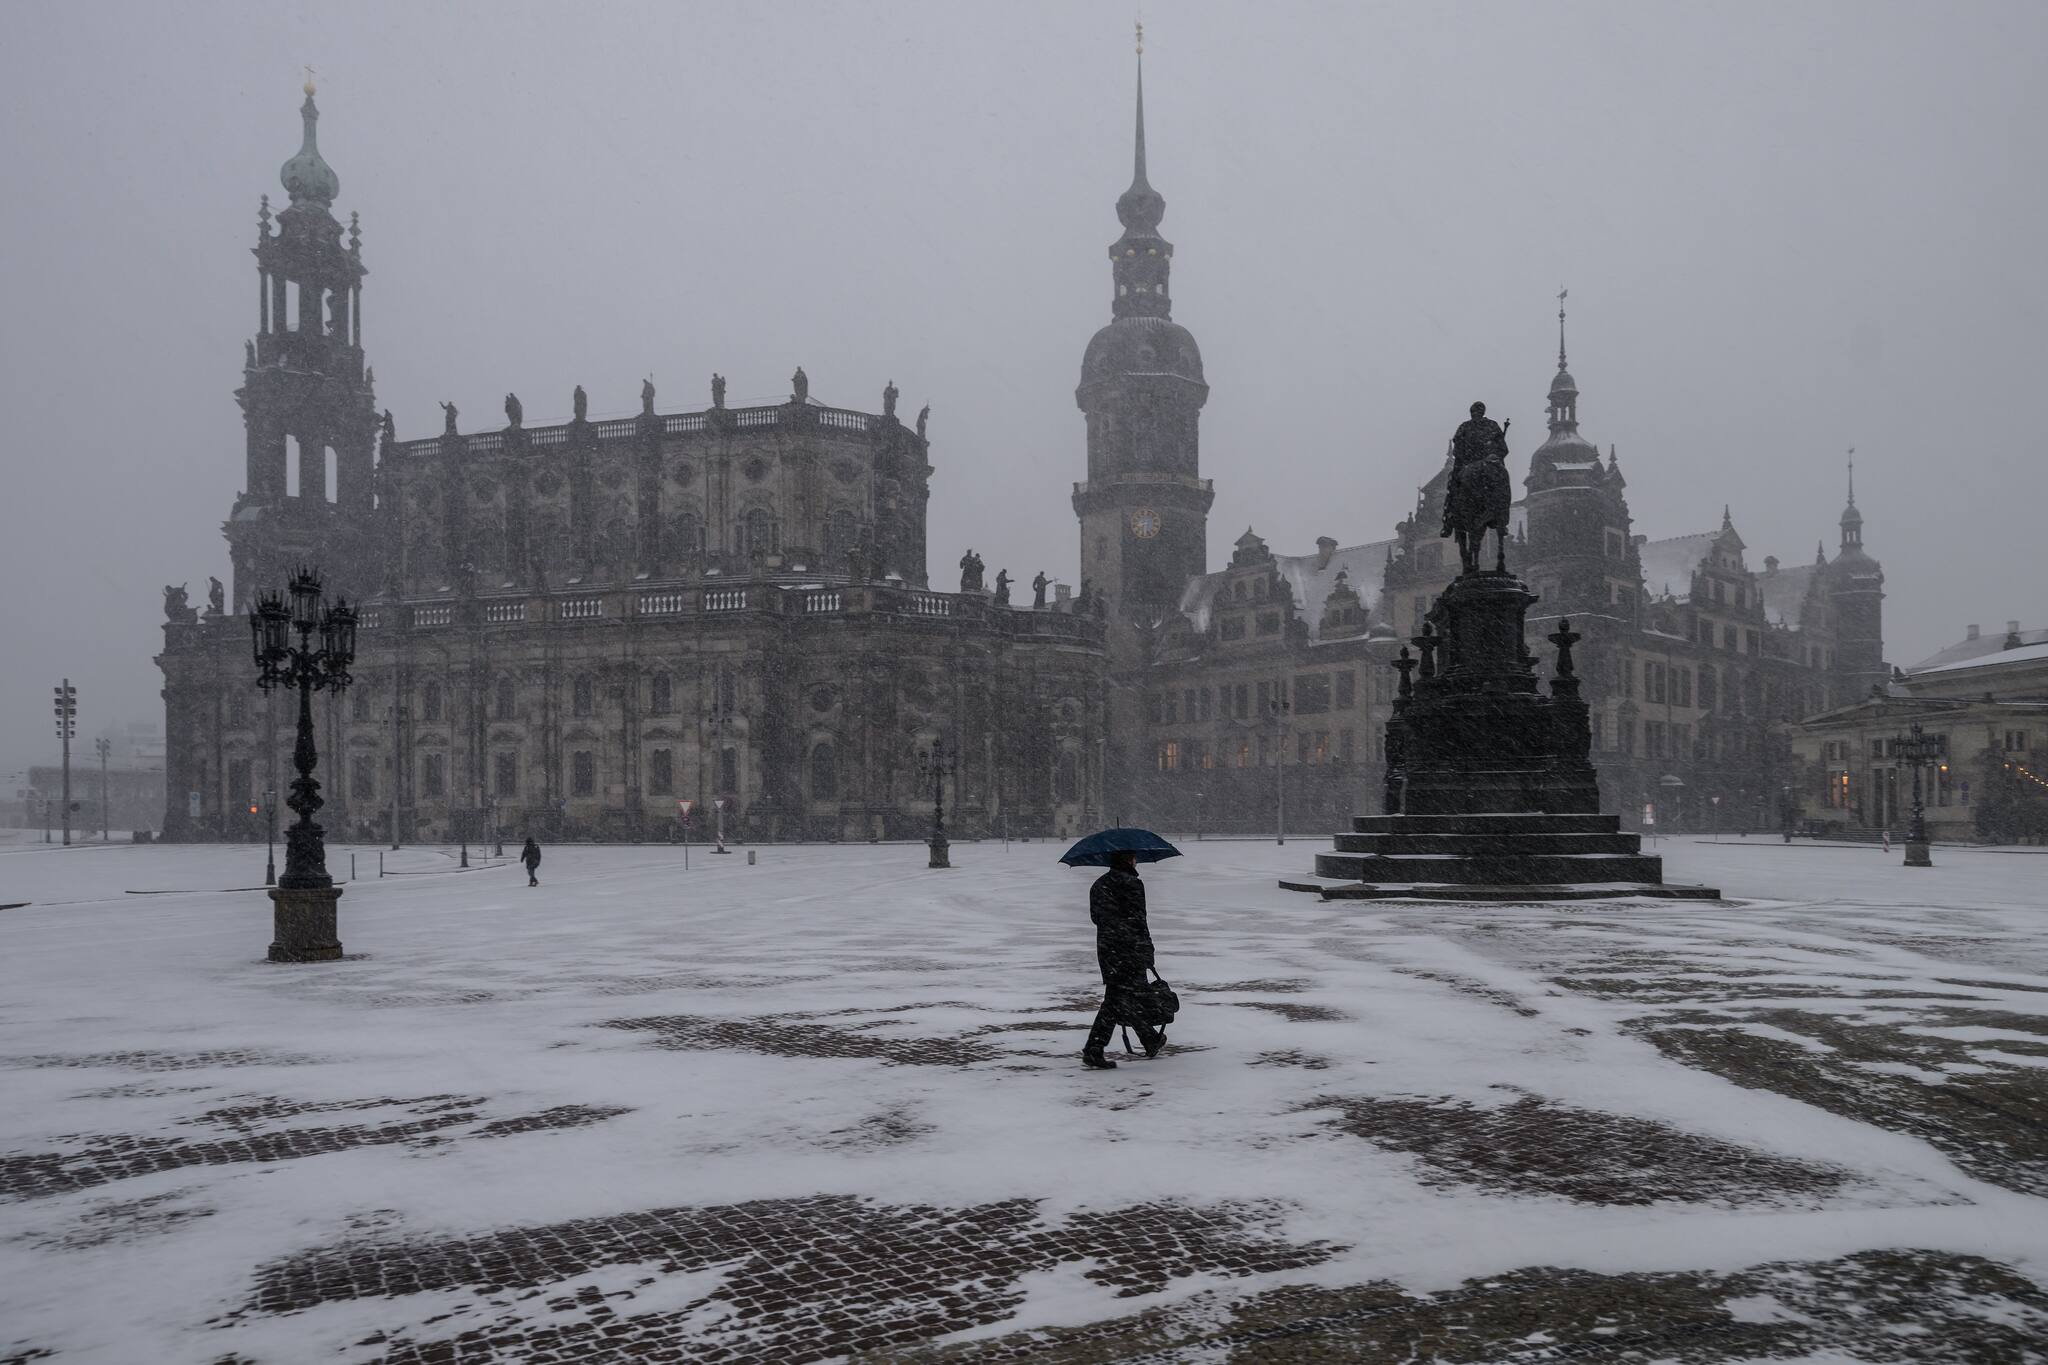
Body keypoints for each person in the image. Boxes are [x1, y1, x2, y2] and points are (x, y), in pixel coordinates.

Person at [1083, 849, 1166, 1069]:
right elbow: (1139, 920)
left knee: (1122, 997)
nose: (1136, 862)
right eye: (1134, 858)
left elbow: (1096, 918)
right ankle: (1094, 1049)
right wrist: (1147, 950)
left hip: (1109, 951)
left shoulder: (1099, 885)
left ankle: (1149, 1039)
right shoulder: (1132, 884)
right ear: (1128, 860)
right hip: (1130, 950)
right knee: (1119, 999)